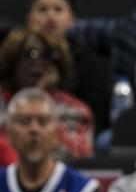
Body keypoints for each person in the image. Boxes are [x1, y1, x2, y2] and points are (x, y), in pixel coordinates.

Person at [0, 28, 95, 158]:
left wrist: (41, 98)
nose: (37, 62)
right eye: (29, 54)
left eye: (48, 55)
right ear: (13, 61)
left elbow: (78, 156)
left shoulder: (76, 111)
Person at [25, 0, 111, 131]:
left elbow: (98, 118)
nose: (50, 16)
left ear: (71, 20)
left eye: (58, 10)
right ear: (29, 20)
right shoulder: (17, 59)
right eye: (42, 10)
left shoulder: (91, 63)